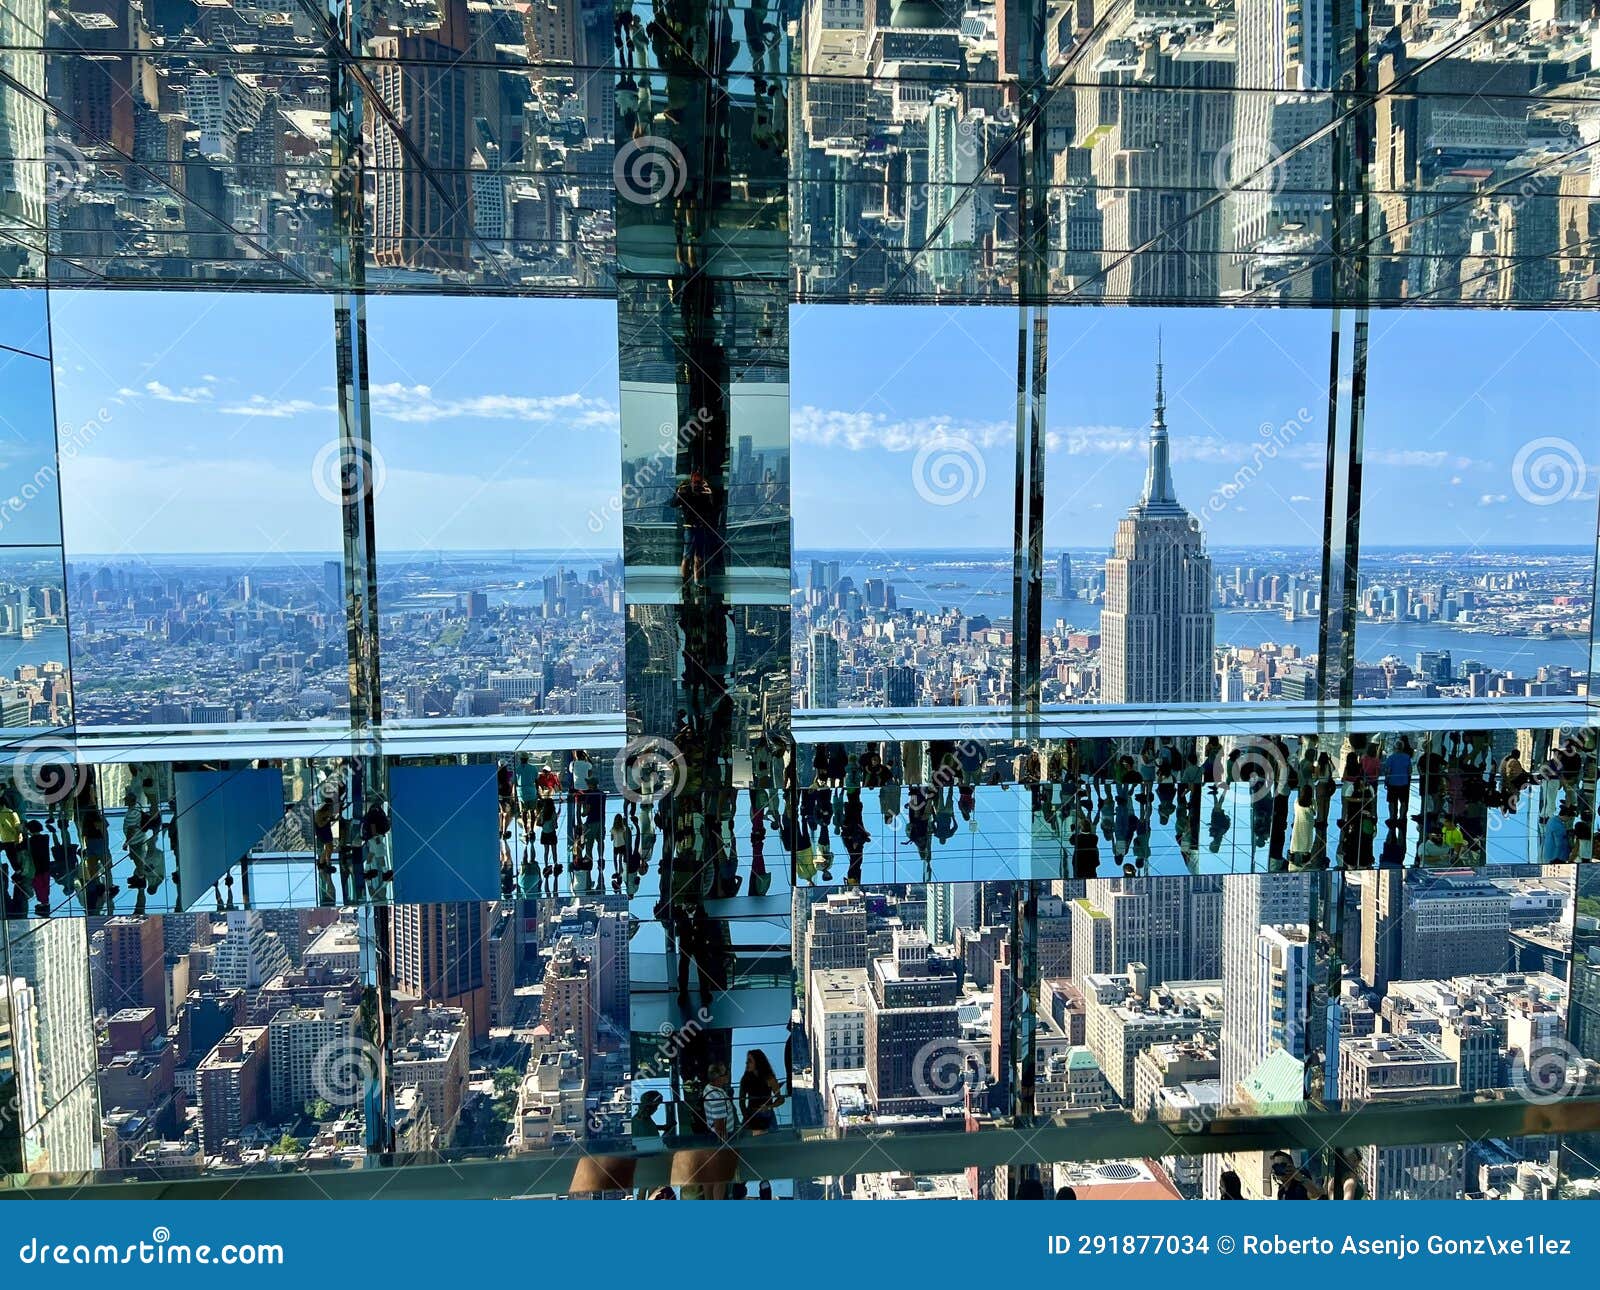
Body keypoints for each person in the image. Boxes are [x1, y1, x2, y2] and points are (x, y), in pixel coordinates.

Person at [739, 1049, 783, 1135]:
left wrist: (769, 1106)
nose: (746, 1063)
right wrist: (747, 1118)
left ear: (758, 1062)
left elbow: (781, 1099)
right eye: (747, 1061)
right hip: (751, 1115)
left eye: (750, 1061)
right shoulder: (745, 1079)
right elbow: (741, 1102)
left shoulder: (769, 1078)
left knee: (770, 1139)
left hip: (765, 1114)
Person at [702, 1064, 736, 1139]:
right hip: (726, 1138)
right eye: (726, 1073)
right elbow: (720, 1130)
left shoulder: (708, 1087)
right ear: (718, 1078)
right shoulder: (718, 1099)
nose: (728, 1074)